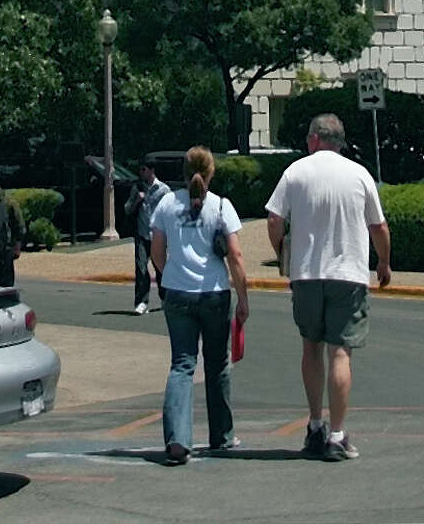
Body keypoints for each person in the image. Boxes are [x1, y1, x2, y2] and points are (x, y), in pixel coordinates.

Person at [265, 112, 392, 463]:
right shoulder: (359, 174)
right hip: (348, 274)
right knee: (340, 352)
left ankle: (315, 424)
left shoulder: (296, 172)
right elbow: (379, 226)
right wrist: (383, 262)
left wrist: (282, 251)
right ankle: (337, 434)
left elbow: (274, 219)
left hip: (306, 273)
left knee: (311, 347)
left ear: (315, 139)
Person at [150, 145, 250, 463]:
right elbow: (235, 255)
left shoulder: (167, 204)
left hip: (177, 292)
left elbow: (156, 250)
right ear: (211, 173)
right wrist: (243, 296)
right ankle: (221, 435)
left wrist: (168, 273)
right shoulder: (220, 206)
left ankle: (178, 440)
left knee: (182, 364)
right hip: (214, 293)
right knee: (217, 364)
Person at [125, 157, 171, 313]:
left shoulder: (164, 190)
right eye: (140, 169)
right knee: (141, 268)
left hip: (158, 236)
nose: (141, 172)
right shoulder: (137, 188)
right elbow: (127, 209)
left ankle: (165, 298)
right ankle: (141, 302)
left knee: (160, 269)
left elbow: (171, 212)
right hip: (142, 233)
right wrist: (137, 200)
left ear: (152, 170)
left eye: (144, 169)